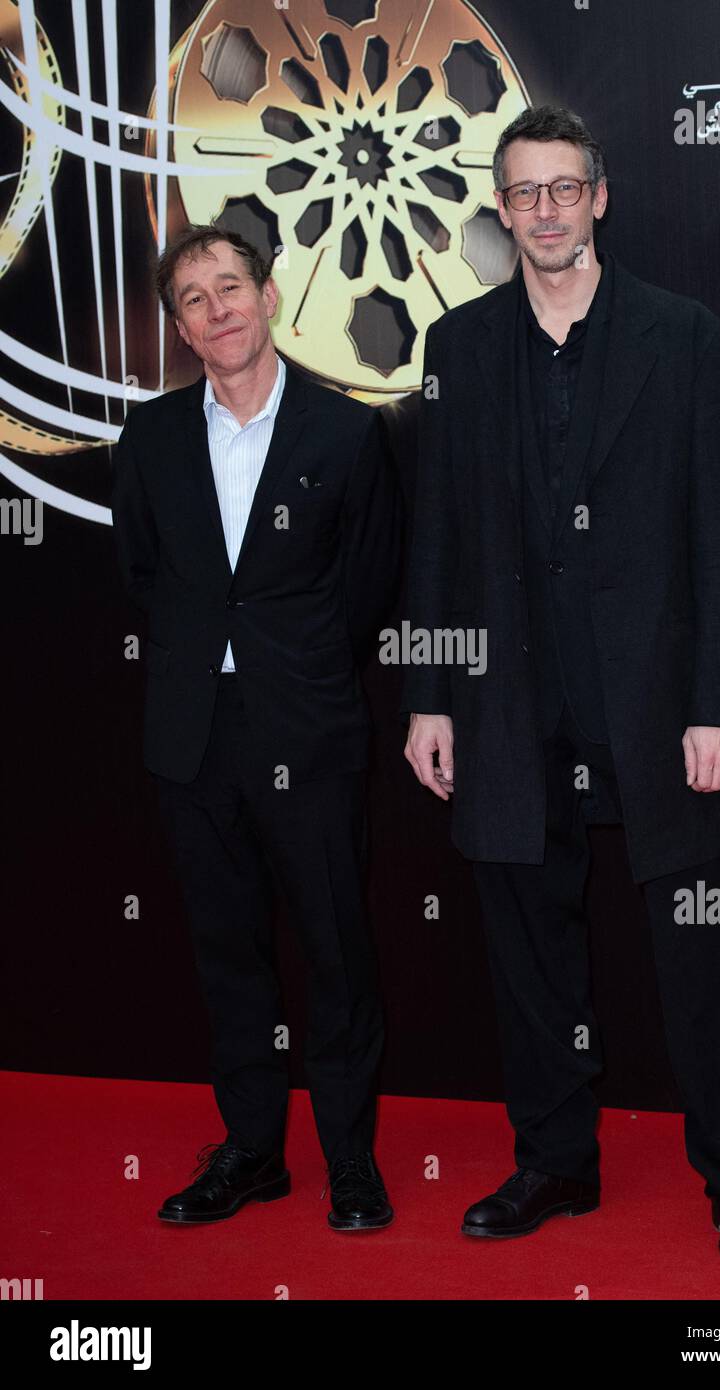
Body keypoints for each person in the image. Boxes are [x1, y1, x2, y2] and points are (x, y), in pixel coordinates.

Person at [402, 105, 720, 1259]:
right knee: (530, 956)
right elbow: (435, 534)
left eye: (563, 188)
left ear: (599, 197)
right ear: (501, 208)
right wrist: (427, 690)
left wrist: (718, 703)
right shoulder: (457, 350)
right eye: (522, 193)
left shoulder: (686, 335)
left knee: (695, 955)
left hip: (659, 704)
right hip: (512, 696)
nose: (545, 211)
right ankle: (555, 1163)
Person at [111, 224, 402, 1231]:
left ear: (269, 296)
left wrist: (293, 662)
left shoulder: (344, 433)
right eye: (193, 298)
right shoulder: (148, 440)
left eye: (230, 286)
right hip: (194, 734)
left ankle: (350, 1160)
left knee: (334, 948)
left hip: (307, 728)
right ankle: (250, 1152)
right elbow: (145, 575)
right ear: (182, 327)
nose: (217, 308)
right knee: (226, 949)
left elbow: (365, 586)